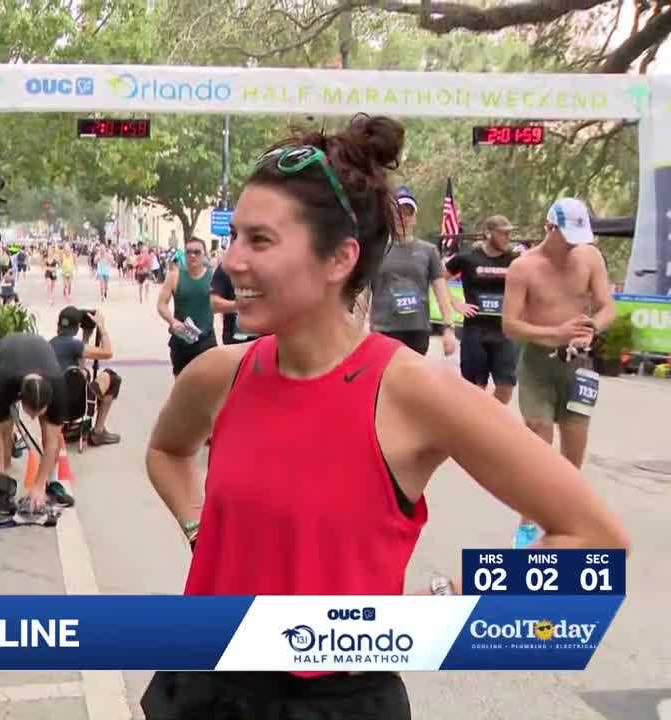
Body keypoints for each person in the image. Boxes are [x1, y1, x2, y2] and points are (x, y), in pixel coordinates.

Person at [144, 117, 628, 719]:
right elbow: (166, 451)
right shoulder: (221, 373)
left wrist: (436, 603)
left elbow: (593, 538)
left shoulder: (413, 391)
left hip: (335, 701)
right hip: (202, 678)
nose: (232, 261)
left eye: (259, 241)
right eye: (235, 236)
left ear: (339, 259)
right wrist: (200, 530)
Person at [502, 198, 616, 548]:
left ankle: (565, 523)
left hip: (578, 365)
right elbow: (510, 325)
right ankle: (527, 523)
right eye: (566, 237)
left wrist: (592, 328)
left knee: (573, 450)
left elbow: (607, 306)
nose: (572, 246)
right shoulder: (523, 268)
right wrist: (555, 333)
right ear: (549, 228)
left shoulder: (590, 258)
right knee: (538, 441)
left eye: (578, 239)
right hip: (538, 364)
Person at [368, 187, 458, 356]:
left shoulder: (429, 251)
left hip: (417, 331)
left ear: (414, 218)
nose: (402, 217)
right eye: (397, 212)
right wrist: (355, 331)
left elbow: (441, 291)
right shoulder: (375, 250)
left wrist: (449, 328)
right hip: (384, 329)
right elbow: (362, 293)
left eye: (408, 213)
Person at [0, 331, 69, 514]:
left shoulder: (58, 385)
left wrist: (38, 486)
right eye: (30, 413)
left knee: (51, 432)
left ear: (50, 402)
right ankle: (3, 474)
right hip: (4, 352)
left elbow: (52, 442)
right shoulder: (6, 382)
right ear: (20, 398)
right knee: (3, 423)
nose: (33, 418)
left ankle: (51, 481)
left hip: (40, 351)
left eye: (39, 413)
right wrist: (0, 481)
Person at [445, 215, 519, 404]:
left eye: (509, 234)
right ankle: (476, 418)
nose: (507, 238)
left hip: (504, 332)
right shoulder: (467, 258)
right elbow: (439, 278)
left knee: (506, 387)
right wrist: (456, 303)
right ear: (488, 233)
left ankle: (489, 417)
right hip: (475, 332)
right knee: (475, 389)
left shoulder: (514, 260)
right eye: (503, 233)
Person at [50, 306, 121, 446]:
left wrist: (86, 337)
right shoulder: (73, 345)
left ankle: (69, 427)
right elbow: (108, 352)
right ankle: (98, 432)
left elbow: (78, 372)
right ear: (77, 327)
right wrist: (101, 327)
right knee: (112, 378)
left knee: (75, 376)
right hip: (80, 406)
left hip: (57, 408)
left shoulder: (50, 344)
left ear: (58, 325)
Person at [157, 236, 217, 376]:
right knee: (181, 384)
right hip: (181, 341)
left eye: (197, 252)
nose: (192, 255)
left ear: (205, 254)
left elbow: (223, 301)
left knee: (208, 384)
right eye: (188, 252)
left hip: (206, 340)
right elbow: (161, 304)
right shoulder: (174, 276)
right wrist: (173, 321)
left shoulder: (213, 277)